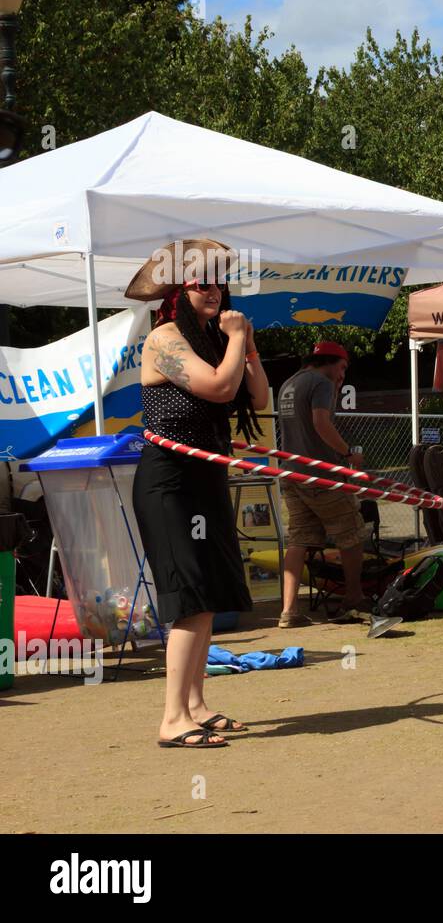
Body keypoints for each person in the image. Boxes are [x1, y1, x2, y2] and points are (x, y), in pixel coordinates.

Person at [130, 239, 269, 748]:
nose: (214, 291)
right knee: (188, 597)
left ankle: (195, 706)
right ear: (178, 292)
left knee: (209, 596)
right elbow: (218, 389)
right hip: (170, 482)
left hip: (205, 479)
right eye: (201, 283)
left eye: (218, 282)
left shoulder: (214, 338)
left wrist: (245, 343)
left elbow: (257, 395)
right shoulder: (165, 339)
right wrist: (233, 339)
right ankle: (172, 719)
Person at [276, 341, 370, 628]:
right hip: (321, 474)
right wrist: (346, 455)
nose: (342, 375)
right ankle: (354, 597)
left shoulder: (289, 383)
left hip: (292, 474)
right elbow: (321, 423)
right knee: (351, 532)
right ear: (331, 361)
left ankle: (289, 610)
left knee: (299, 539)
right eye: (342, 368)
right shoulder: (321, 383)